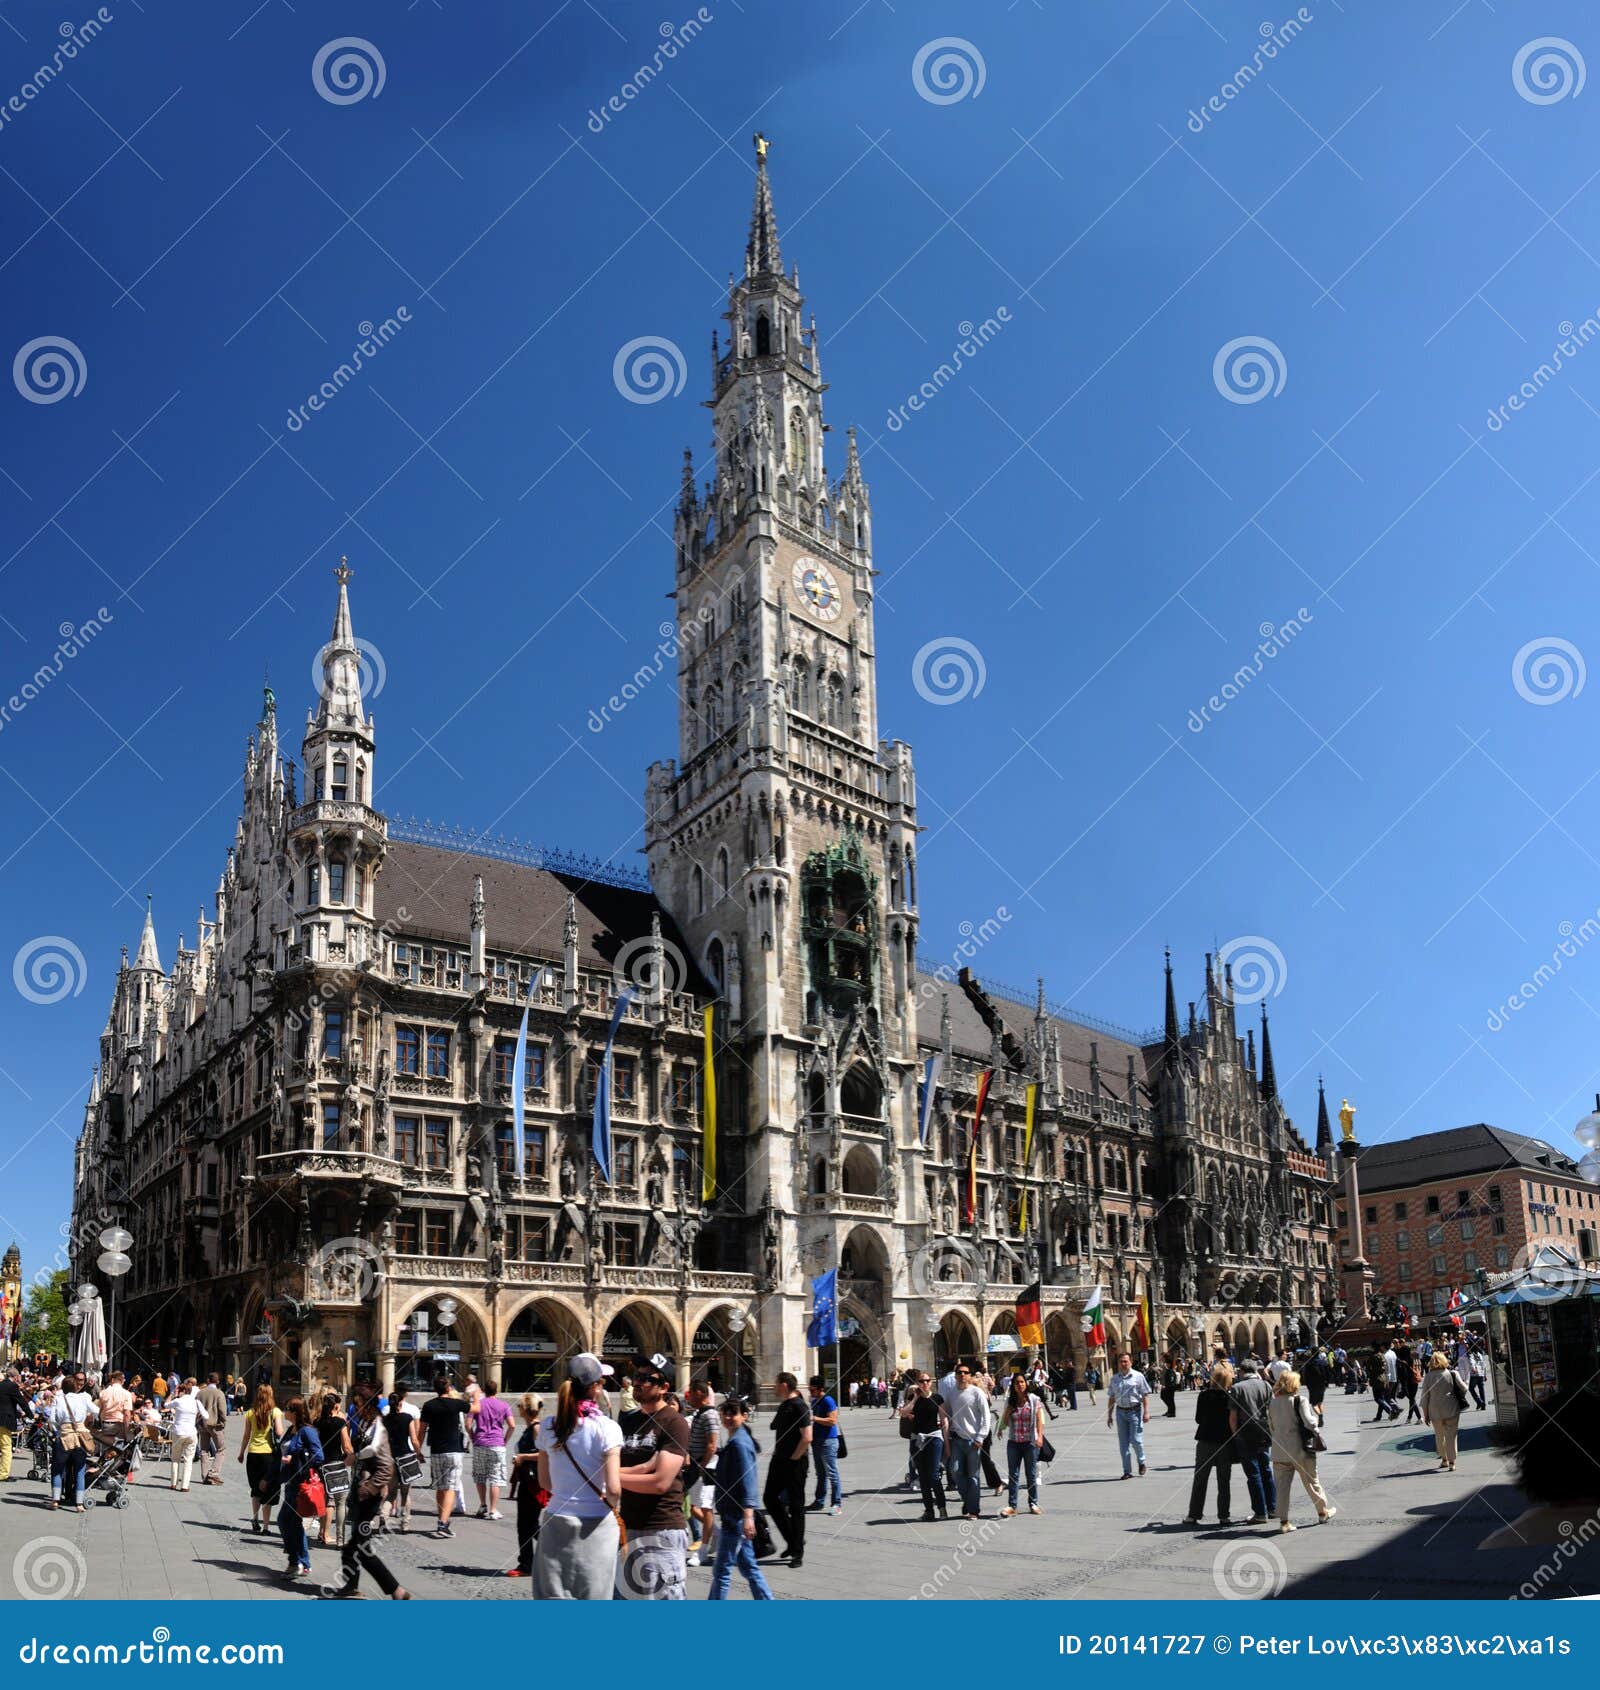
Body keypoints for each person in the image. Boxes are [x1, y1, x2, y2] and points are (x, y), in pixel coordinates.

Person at [534, 1352, 624, 1600]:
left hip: (556, 1519)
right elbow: (614, 1488)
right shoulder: (607, 1428)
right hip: (596, 1523)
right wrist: (611, 1506)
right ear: (595, 1388)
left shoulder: (547, 1426)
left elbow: (545, 1482)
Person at [613, 1360, 692, 1598]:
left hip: (661, 1529)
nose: (638, 1382)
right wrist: (641, 1469)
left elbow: (660, 1483)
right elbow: (608, 1466)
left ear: (663, 1387)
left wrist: (612, 1478)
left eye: (648, 1379)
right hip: (628, 1528)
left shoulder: (673, 1422)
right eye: (638, 1375)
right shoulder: (627, 1421)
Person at [331, 1379, 411, 1600]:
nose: (356, 1408)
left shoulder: (378, 1423)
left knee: (361, 1548)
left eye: (359, 1404)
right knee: (353, 1547)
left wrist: (354, 1457)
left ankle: (396, 1590)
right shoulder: (367, 1423)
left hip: (373, 1491)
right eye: (355, 1404)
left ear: (369, 1403)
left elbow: (375, 1450)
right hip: (364, 1489)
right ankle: (352, 1587)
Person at [706, 1396, 774, 1599]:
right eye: (724, 1412)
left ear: (744, 1416)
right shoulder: (737, 1439)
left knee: (722, 1571)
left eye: (732, 1413)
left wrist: (748, 1516)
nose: (727, 1417)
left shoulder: (739, 1443)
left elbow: (748, 1481)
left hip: (735, 1516)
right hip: (732, 1513)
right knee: (748, 1567)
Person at [1268, 1368, 1334, 1532]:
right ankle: (1322, 1511)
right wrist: (1316, 1422)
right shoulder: (1300, 1400)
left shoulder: (1273, 1402)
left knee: (1282, 1488)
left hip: (1279, 1450)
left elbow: (1271, 1426)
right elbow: (1310, 1423)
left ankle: (1284, 1522)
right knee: (1312, 1482)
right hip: (1300, 1450)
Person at [763, 1370, 813, 1567]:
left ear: (784, 1384)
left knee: (796, 1506)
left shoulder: (800, 1406)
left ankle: (797, 1553)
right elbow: (774, 1426)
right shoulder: (785, 1405)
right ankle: (793, 1540)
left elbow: (807, 1437)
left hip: (795, 1462)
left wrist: (793, 1459)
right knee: (769, 1498)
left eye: (776, 1383)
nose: (774, 1387)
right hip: (779, 1459)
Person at [276, 1397, 324, 1580]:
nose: (284, 1412)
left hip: (301, 1483)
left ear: (295, 1412)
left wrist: (295, 1460)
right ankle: (299, 1561)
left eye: (286, 1409)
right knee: (290, 1523)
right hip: (290, 1483)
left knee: (286, 1521)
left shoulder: (307, 1432)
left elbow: (319, 1455)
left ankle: (297, 1561)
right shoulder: (291, 1430)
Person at [419, 1372, 471, 1540]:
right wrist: (476, 1394)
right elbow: (476, 1408)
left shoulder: (428, 1405)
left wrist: (417, 1450)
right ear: (448, 1388)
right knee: (450, 1488)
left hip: (436, 1451)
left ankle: (442, 1519)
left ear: (435, 1389)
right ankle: (443, 1523)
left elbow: (421, 1430)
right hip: (454, 1450)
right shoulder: (456, 1404)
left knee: (441, 1487)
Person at [1185, 1359, 1235, 1525]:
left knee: (1200, 1479)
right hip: (1224, 1442)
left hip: (1205, 1440)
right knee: (1224, 1480)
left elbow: (1198, 1419)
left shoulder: (1204, 1395)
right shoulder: (1229, 1397)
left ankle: (1194, 1514)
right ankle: (1224, 1515)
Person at [1227, 1357, 1277, 1523]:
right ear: (1255, 1370)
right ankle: (1273, 1507)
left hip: (1245, 1433)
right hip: (1264, 1432)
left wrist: (1235, 1435)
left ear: (1242, 1371)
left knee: (1253, 1473)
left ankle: (1260, 1512)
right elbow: (1272, 1410)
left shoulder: (1237, 1388)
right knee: (1266, 1470)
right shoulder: (1266, 1385)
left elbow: (1233, 1416)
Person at [898, 1370, 949, 1521]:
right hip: (917, 1439)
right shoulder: (913, 1397)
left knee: (934, 1475)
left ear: (931, 1382)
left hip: (934, 1438)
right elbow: (903, 1413)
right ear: (917, 1383)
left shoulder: (937, 1398)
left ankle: (942, 1508)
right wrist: (914, 1398)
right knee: (923, 1477)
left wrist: (947, 1445)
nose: (924, 1383)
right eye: (921, 1381)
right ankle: (929, 1511)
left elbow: (944, 1420)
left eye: (927, 1381)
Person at [945, 1360, 992, 1520]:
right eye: (959, 1373)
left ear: (970, 1376)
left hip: (974, 1441)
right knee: (956, 1472)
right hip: (957, 1440)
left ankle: (974, 1510)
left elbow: (986, 1416)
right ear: (956, 1375)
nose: (962, 1375)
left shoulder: (976, 1392)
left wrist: (980, 1437)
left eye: (965, 1373)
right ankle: (968, 1500)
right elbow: (947, 1413)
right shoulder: (951, 1393)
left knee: (973, 1476)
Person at [46, 1368, 97, 1511]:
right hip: (80, 1437)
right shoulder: (83, 1398)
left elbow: (52, 1419)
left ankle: (55, 1500)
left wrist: (58, 1428)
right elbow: (96, 1411)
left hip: (65, 1436)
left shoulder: (58, 1399)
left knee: (57, 1469)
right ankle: (79, 1504)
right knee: (80, 1470)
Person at [238, 1384, 286, 1535]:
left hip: (253, 1454)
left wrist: (241, 1453)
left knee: (256, 1489)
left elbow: (246, 1435)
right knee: (268, 1490)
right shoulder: (275, 1412)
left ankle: (255, 1519)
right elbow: (279, 1432)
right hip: (269, 1455)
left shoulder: (250, 1412)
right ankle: (266, 1527)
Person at [998, 1369, 1045, 1516]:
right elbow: (1004, 1423)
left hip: (1030, 1442)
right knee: (1013, 1475)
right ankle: (1012, 1506)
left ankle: (1033, 1503)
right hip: (1014, 1443)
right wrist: (1008, 1411)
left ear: (1026, 1383)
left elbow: (1039, 1419)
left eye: (1021, 1382)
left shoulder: (1034, 1399)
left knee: (1031, 1474)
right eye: (1016, 1383)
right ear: (1013, 1386)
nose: (1019, 1385)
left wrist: (1040, 1437)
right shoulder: (1010, 1401)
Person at [506, 1392, 544, 1578]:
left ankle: (527, 1563)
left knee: (527, 1524)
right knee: (527, 1524)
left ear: (526, 1409)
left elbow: (544, 1454)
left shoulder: (537, 1428)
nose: (518, 1409)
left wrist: (523, 1457)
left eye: (520, 1406)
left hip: (534, 1483)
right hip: (527, 1480)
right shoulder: (531, 1428)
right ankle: (528, 1561)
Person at [684, 1379, 720, 1566]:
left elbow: (712, 1444)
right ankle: (716, 1534)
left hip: (707, 1468)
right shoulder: (700, 1413)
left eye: (691, 1392)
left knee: (705, 1507)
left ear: (700, 1393)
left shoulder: (710, 1415)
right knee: (690, 1505)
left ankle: (703, 1550)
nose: (688, 1396)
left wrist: (701, 1466)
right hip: (697, 1465)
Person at [313, 1391, 353, 1548]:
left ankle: (322, 1533)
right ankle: (340, 1539)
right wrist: (352, 1457)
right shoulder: (339, 1423)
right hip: (337, 1465)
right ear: (336, 1406)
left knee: (324, 1501)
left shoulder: (317, 1422)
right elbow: (347, 1446)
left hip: (321, 1466)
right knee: (339, 1503)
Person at [470, 1377, 513, 1520]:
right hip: (497, 1443)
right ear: (497, 1390)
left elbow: (467, 1424)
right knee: (496, 1478)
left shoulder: (478, 1404)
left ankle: (482, 1505)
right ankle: (493, 1510)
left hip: (480, 1443)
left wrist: (472, 1437)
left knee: (480, 1476)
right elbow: (512, 1425)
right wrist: (505, 1440)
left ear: (484, 1390)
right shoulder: (504, 1405)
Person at [1419, 1350, 1469, 1472]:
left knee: (1439, 1436)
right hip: (1451, 1409)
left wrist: (1425, 1415)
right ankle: (1452, 1462)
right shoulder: (1452, 1373)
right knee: (1451, 1436)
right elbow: (1464, 1389)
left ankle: (1444, 1459)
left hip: (1435, 1411)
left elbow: (1424, 1397)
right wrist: (1467, 1381)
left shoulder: (1428, 1377)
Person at [1105, 1351, 1151, 1479]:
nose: (1123, 1364)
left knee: (1136, 1440)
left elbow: (1145, 1394)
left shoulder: (1138, 1376)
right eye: (1121, 1361)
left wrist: (1146, 1412)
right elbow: (1112, 1397)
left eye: (1126, 1361)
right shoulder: (1115, 1378)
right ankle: (1127, 1471)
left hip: (1135, 1411)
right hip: (1120, 1412)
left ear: (1130, 1362)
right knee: (1123, 1443)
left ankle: (1141, 1462)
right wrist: (1109, 1415)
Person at [382, 1385, 422, 1531]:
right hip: (405, 1456)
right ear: (400, 1404)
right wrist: (419, 1453)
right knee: (405, 1492)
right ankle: (405, 1522)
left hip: (389, 1457)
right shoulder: (407, 1418)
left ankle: (383, 1516)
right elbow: (414, 1439)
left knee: (391, 1492)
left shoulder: (384, 1420)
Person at [807, 1375, 843, 1514]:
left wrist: (814, 1418)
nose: (810, 1390)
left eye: (812, 1388)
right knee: (820, 1474)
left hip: (829, 1441)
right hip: (817, 1440)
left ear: (820, 1388)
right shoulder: (815, 1401)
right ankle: (819, 1501)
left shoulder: (828, 1400)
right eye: (810, 1388)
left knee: (832, 1473)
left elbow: (832, 1420)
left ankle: (836, 1504)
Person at [166, 1377, 210, 1492]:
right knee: (188, 1460)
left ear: (183, 1392)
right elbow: (206, 1416)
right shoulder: (196, 1402)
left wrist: (171, 1394)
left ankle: (173, 1483)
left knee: (175, 1459)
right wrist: (197, 1415)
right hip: (191, 1433)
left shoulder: (178, 1401)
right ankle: (185, 1486)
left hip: (178, 1432)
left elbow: (165, 1405)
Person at [196, 1373, 230, 1484]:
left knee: (204, 1450)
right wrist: (223, 1422)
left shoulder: (200, 1393)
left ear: (207, 1380)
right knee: (221, 1449)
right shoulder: (219, 1393)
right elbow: (222, 1411)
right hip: (215, 1425)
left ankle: (205, 1475)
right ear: (218, 1381)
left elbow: (196, 1409)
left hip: (202, 1424)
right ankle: (213, 1473)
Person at [0, 1364, 26, 1482]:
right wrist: (30, 1414)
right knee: (6, 1448)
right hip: (4, 1421)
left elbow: (7, 1404)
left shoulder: (1, 1385)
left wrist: (18, 1414)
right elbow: (21, 1402)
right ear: (15, 1377)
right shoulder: (12, 1386)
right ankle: (3, 1474)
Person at [1467, 1343, 1488, 1411]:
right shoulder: (1480, 1355)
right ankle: (1483, 1405)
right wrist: (1484, 1374)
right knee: (1481, 1389)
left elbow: (1471, 1361)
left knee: (1471, 1388)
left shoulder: (1471, 1355)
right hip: (1481, 1373)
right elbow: (1483, 1365)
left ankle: (1479, 1401)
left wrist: (1473, 1368)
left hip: (1475, 1374)